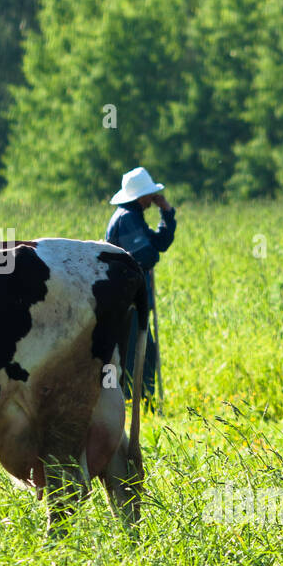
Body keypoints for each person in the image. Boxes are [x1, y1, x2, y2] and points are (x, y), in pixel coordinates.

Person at [105, 166, 176, 402]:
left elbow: (160, 243)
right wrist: (152, 254)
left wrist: (167, 213)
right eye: (150, 194)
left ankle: (145, 403)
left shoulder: (134, 216)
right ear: (140, 196)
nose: (152, 199)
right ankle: (131, 404)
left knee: (146, 353)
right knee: (135, 355)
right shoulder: (127, 219)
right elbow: (146, 255)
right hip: (128, 301)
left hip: (136, 300)